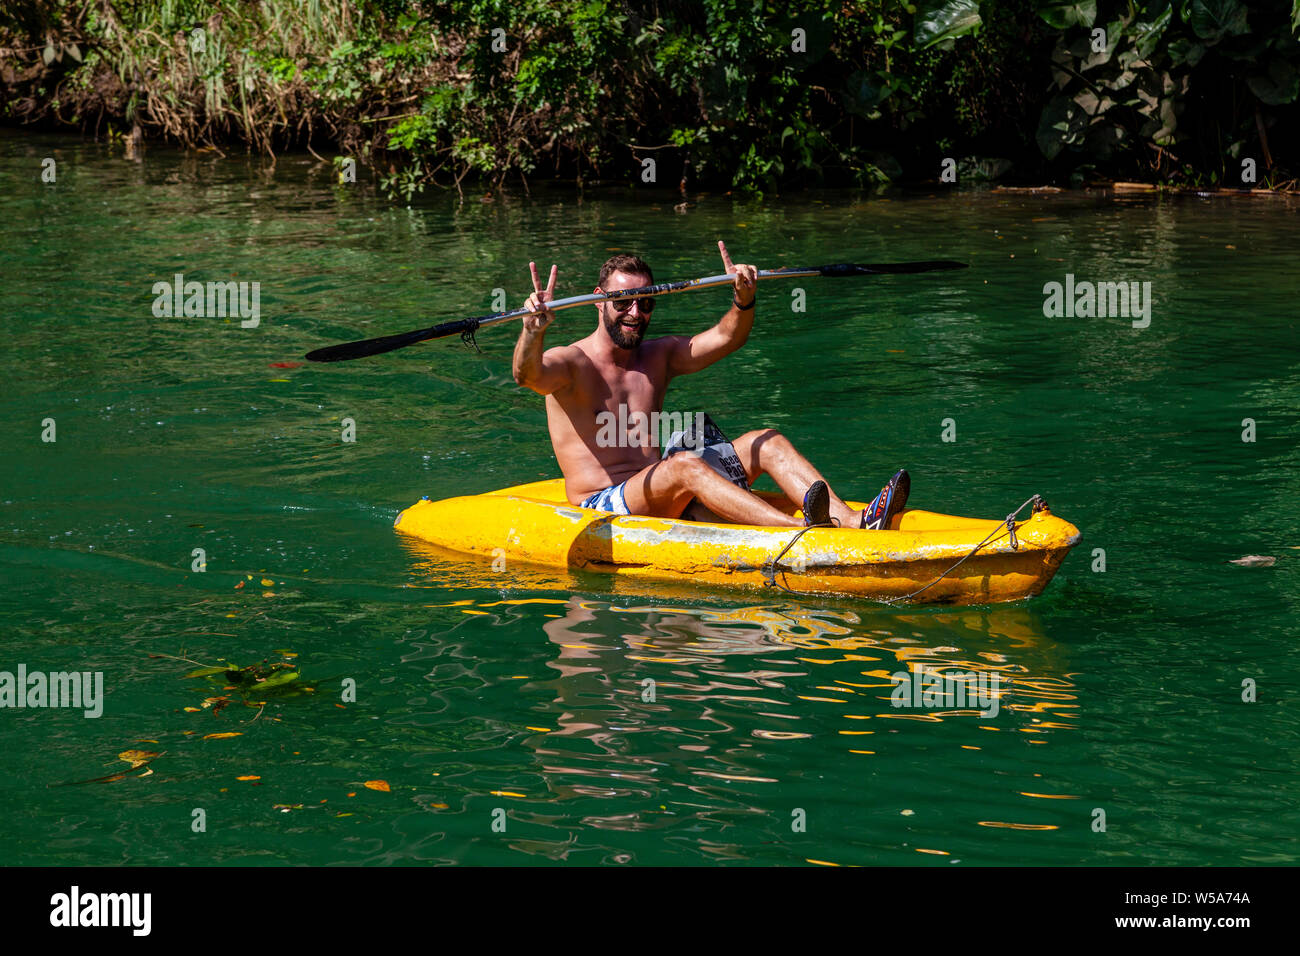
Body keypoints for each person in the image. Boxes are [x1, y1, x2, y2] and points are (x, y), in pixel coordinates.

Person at [511, 240, 908, 529]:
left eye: (645, 303)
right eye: (623, 302)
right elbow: (526, 375)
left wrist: (743, 299)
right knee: (683, 465)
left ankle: (856, 522)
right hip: (602, 505)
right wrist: (532, 332)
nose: (635, 313)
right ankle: (797, 531)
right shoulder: (571, 362)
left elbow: (727, 338)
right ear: (598, 300)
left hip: (661, 490)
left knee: (766, 441)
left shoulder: (659, 355)